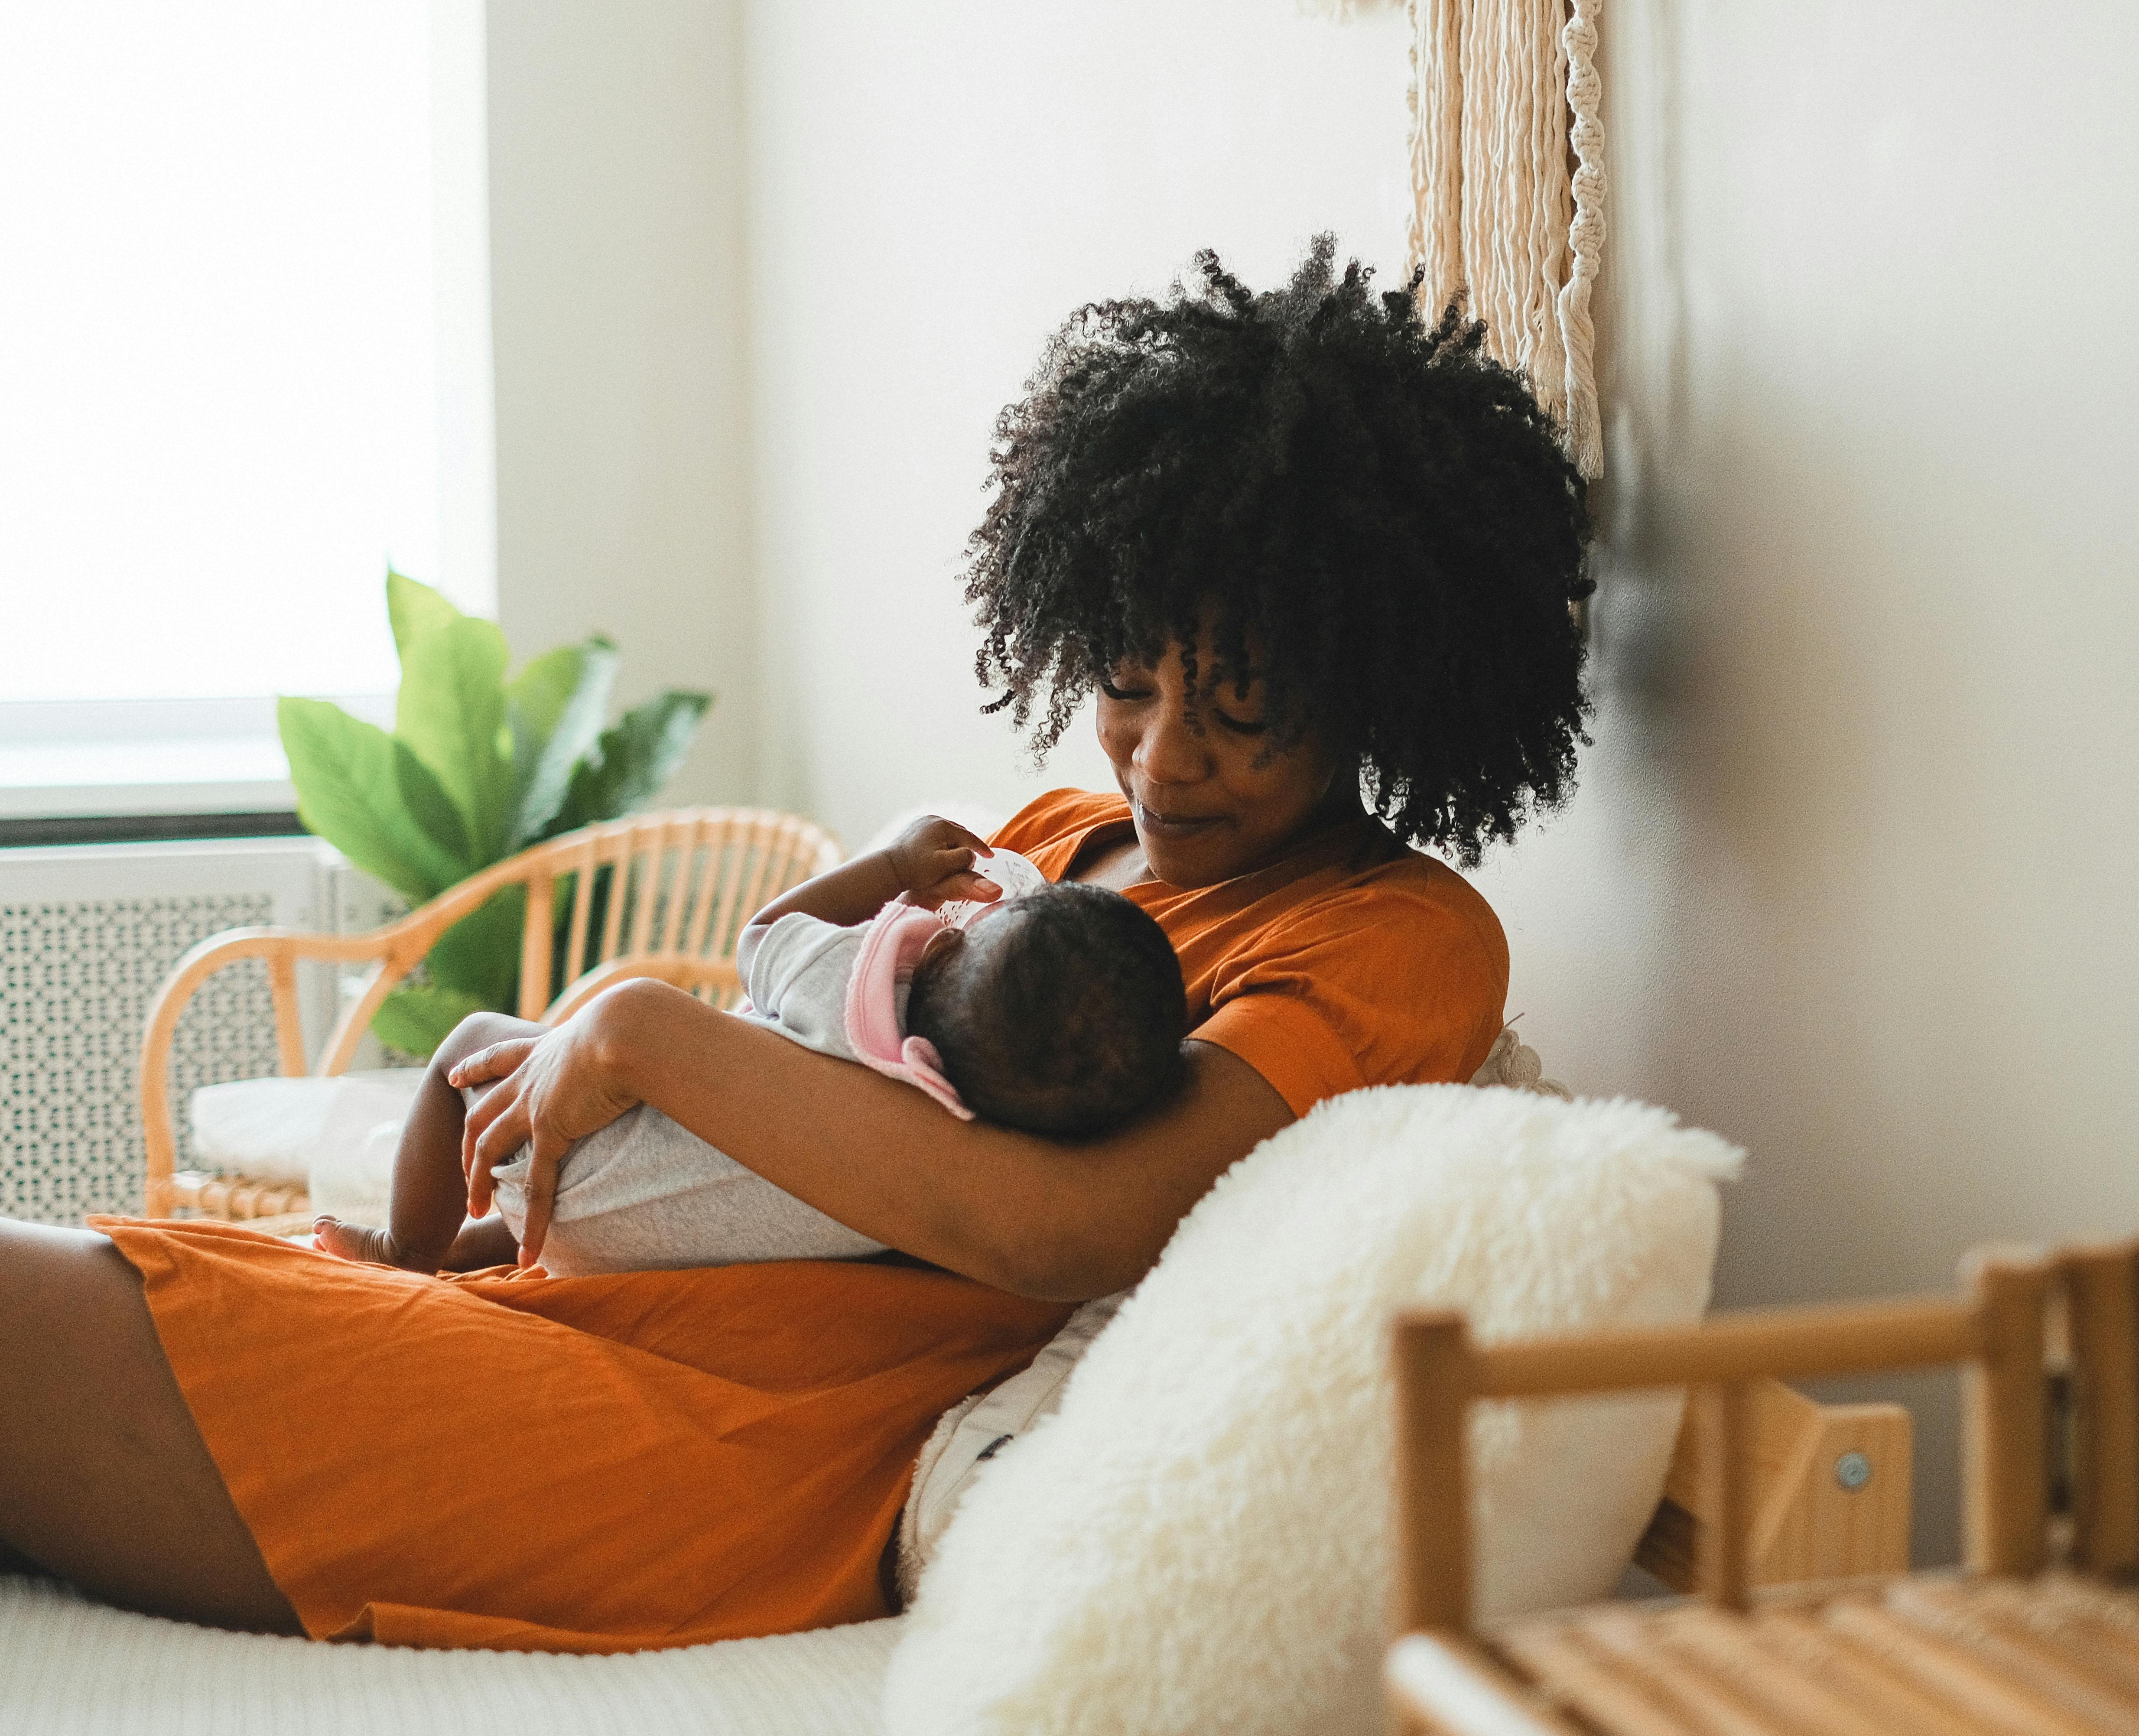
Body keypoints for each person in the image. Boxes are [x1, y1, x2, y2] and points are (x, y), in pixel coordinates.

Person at [0, 237, 1594, 1650]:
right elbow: (821, 1004)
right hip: (561, 1283)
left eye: (1243, 709)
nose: (1163, 757)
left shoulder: (1394, 936)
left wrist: (636, 1028)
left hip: (732, 1425)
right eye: (1126, 676)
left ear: (1380, 694)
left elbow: (1065, 1229)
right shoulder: (1047, 840)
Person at [313, 827, 1187, 1277]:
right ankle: (483, 1247)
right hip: (674, 1245)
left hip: (566, 1164)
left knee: (468, 1047)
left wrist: (888, 864)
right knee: (668, 1165)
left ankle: (408, 1248)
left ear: (958, 939)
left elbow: (761, 930)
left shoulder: (845, 977)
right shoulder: (956, 1126)